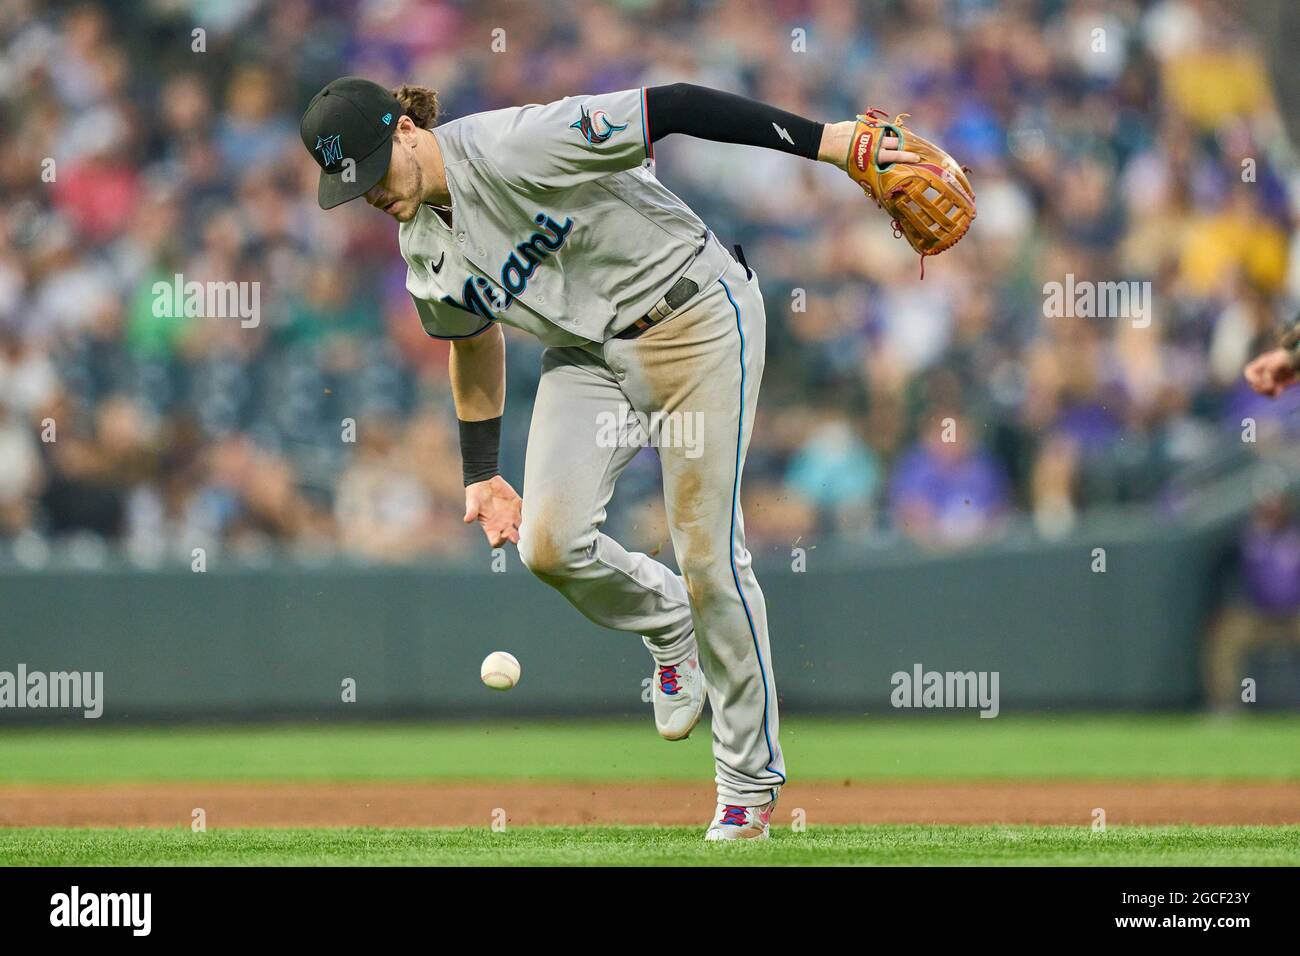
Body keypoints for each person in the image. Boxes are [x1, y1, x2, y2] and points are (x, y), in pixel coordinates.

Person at [300, 77, 931, 840]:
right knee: (548, 546)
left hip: (694, 315)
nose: (369, 193)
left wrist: (829, 142)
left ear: (404, 130)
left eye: (374, 168)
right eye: (351, 184)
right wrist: (481, 472)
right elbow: (472, 342)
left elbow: (671, 105)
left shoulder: (512, 142)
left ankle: (746, 786)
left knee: (711, 561)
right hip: (591, 355)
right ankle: (668, 625)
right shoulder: (422, 245)